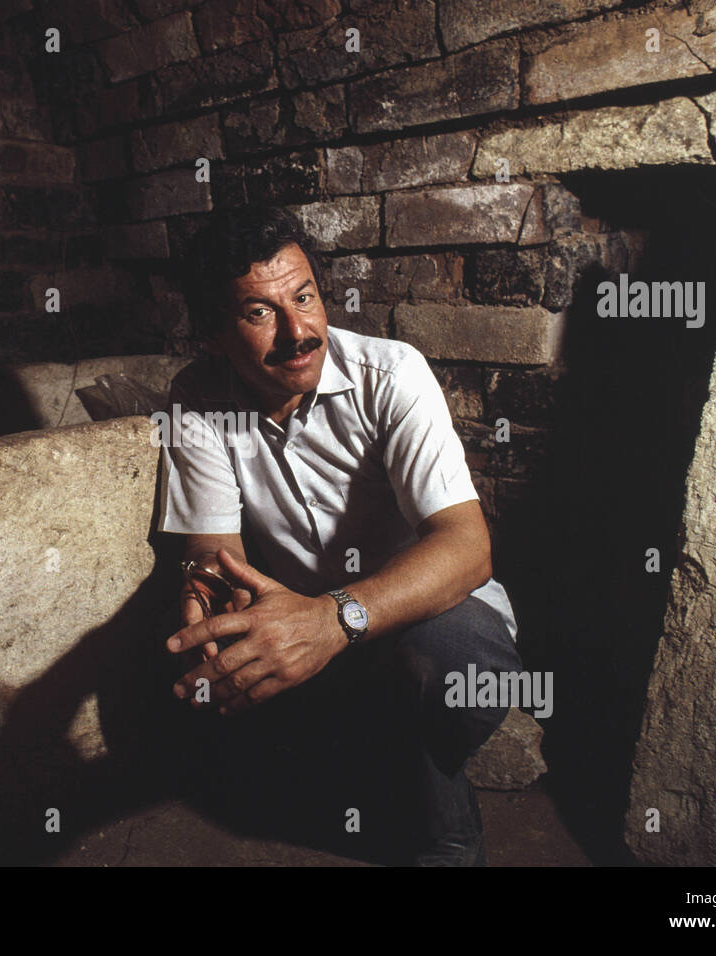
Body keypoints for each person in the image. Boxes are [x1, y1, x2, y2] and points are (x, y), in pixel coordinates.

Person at [153, 205, 524, 865]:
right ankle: (362, 757)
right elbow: (215, 553)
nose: (299, 331)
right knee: (237, 720)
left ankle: (445, 825)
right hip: (300, 621)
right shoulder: (195, 398)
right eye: (258, 312)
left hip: (424, 617)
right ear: (213, 333)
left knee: (455, 664)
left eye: (305, 298)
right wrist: (211, 593)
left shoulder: (392, 374)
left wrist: (332, 620)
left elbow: (467, 548)